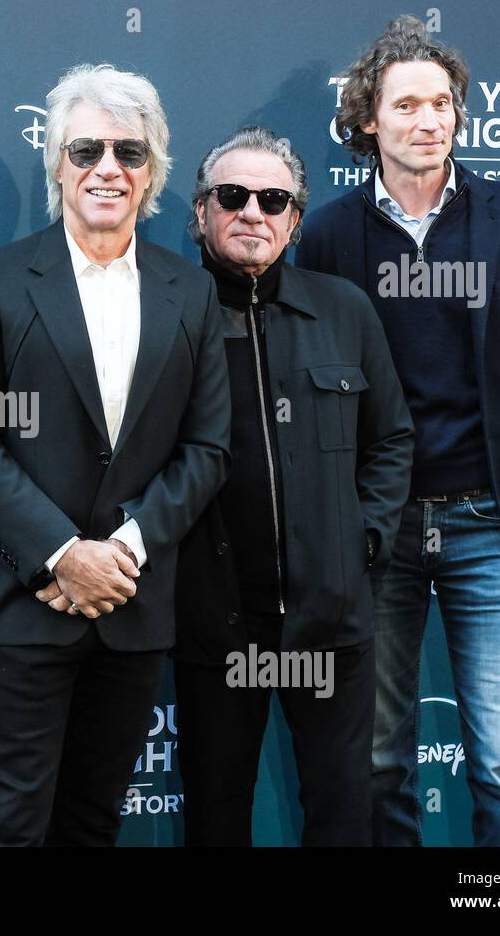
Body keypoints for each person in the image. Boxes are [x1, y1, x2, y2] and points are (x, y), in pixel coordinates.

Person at [296, 16, 500, 846]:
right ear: (369, 120)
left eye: (443, 103)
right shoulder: (331, 234)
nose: (429, 119)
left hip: (487, 521)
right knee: (380, 757)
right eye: (408, 104)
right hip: (375, 526)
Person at [0, 63, 230, 846]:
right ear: (57, 163)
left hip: (132, 610)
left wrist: (120, 554)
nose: (107, 168)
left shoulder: (190, 292)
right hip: (26, 608)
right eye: (86, 150)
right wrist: (63, 554)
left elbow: (207, 448)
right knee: (6, 827)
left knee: (92, 824)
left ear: (152, 172)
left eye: (129, 153)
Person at [173, 127, 413, 845]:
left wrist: (362, 542)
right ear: (200, 212)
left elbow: (391, 438)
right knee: (216, 818)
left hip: (329, 623)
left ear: (295, 220)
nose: (253, 212)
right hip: (215, 625)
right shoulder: (167, 311)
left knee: (342, 819)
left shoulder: (344, 310)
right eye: (233, 196)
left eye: (272, 199)